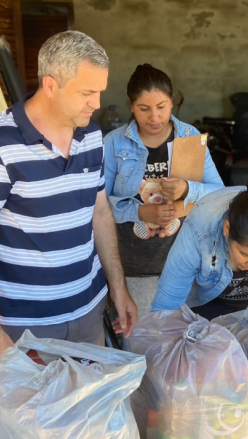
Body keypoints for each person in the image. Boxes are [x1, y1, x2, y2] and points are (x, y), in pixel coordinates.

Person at [0, 31, 137, 376]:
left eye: (99, 91)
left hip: (88, 313)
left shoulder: (91, 136)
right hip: (28, 330)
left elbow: (99, 214)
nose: (97, 104)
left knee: (90, 421)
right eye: (87, 92)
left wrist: (118, 287)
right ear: (51, 85)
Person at [103, 64, 224, 317]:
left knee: (183, 348)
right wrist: (140, 212)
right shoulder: (114, 143)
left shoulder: (188, 138)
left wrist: (188, 188)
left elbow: (220, 196)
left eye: (162, 107)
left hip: (185, 266)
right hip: (135, 268)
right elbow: (99, 207)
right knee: (142, 348)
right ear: (131, 105)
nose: (154, 118)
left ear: (172, 102)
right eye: (144, 109)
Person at [150, 174, 248, 320]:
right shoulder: (200, 227)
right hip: (205, 308)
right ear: (227, 228)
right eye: (245, 255)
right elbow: (166, 309)